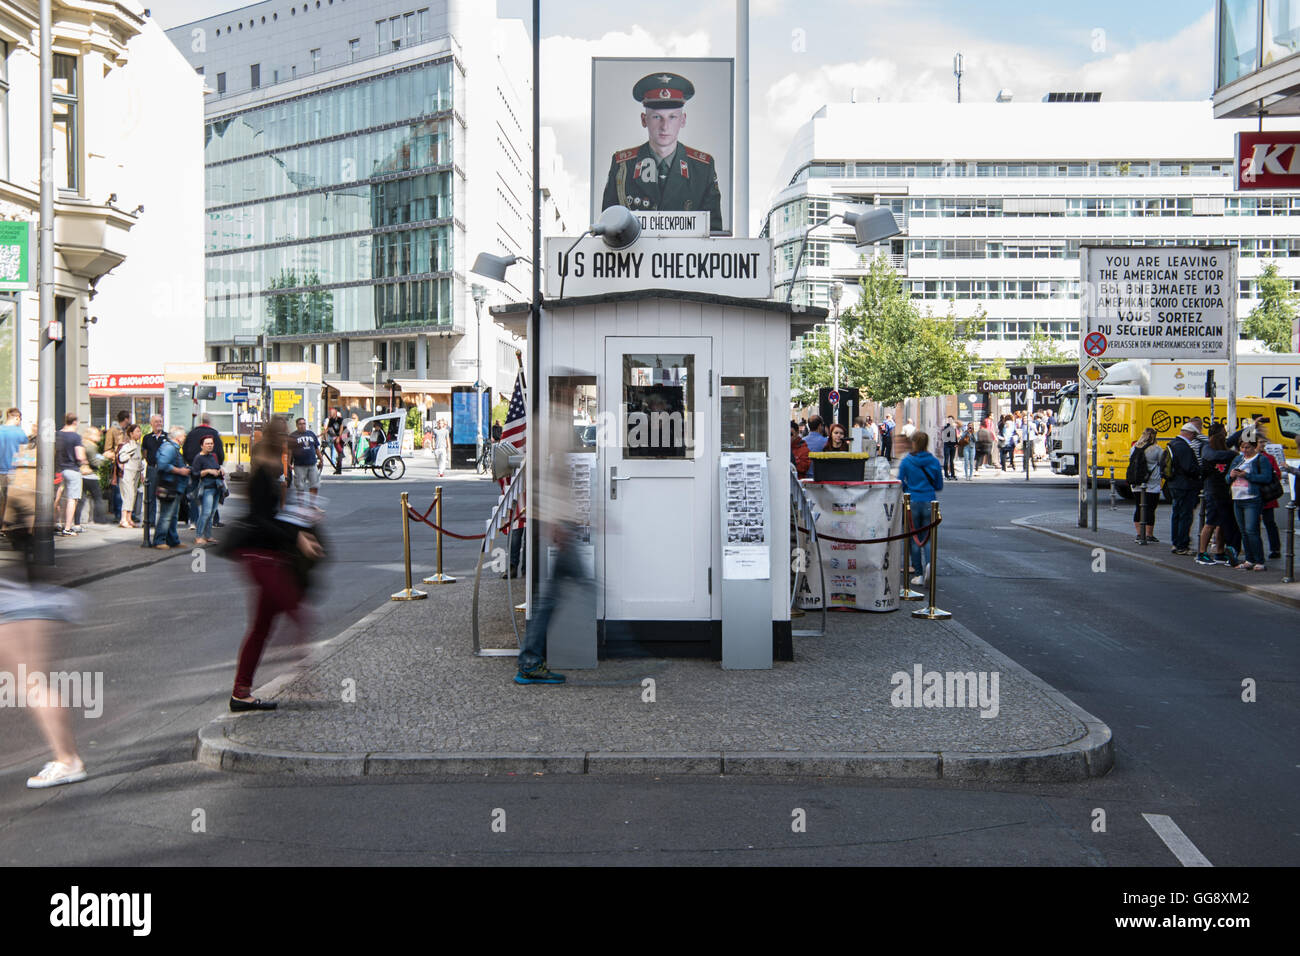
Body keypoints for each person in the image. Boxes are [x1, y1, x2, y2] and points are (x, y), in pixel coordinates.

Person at [220, 432, 324, 711]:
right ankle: (301, 681)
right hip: (260, 556)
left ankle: (241, 693)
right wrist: (297, 537)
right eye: (285, 451)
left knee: (262, 627)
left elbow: (274, 517)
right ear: (277, 449)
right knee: (296, 614)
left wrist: (303, 522)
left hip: (267, 556)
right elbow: (261, 520)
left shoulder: (272, 476)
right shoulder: (263, 477)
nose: (287, 458)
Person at [600, 72, 723, 232]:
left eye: (672, 117)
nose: (665, 126)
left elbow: (714, 235)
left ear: (683, 120)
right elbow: (608, 228)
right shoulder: (623, 166)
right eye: (657, 117)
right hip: (634, 256)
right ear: (644, 120)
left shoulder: (702, 168)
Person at [898, 431, 943, 587]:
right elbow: (939, 485)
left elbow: (899, 481)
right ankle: (929, 565)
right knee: (928, 537)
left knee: (914, 538)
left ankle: (918, 573)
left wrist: (908, 488)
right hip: (930, 501)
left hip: (912, 501)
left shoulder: (907, 461)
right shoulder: (934, 461)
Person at [1227, 426, 1274, 571]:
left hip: (1252, 498)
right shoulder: (1238, 459)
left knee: (1251, 529)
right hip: (1237, 498)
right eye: (1242, 447)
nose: (1244, 450)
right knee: (1243, 530)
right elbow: (1227, 478)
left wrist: (1246, 475)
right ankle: (1249, 559)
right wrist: (1231, 476)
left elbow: (1266, 478)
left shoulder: (1261, 460)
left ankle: (1259, 560)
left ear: (1254, 447)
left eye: (1247, 447)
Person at [1197, 424, 1238, 566]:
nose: (1225, 437)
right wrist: (1234, 454)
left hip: (1221, 492)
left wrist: (1251, 427)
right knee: (1211, 523)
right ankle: (1202, 553)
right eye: (1223, 434)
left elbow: (1233, 439)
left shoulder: (1218, 448)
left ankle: (1219, 553)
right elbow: (1215, 456)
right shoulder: (1208, 449)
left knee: (1220, 523)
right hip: (1213, 491)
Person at [1165, 421, 1203, 556]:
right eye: (1193, 435)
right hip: (1185, 485)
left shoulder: (1173, 443)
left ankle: (1175, 542)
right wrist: (1200, 470)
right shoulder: (1184, 447)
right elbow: (1189, 468)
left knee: (1176, 514)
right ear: (1189, 433)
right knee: (1185, 515)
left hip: (1174, 484)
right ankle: (1182, 545)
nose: (1194, 438)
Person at [153, 427, 190, 549]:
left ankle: (173, 540)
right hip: (169, 486)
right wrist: (180, 470)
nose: (185, 438)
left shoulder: (174, 448)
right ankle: (159, 540)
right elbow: (162, 465)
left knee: (173, 515)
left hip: (175, 486)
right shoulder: (169, 448)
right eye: (184, 436)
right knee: (166, 515)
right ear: (178, 437)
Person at [1129, 428, 1163, 543]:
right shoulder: (1157, 449)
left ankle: (1139, 534)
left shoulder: (1134, 448)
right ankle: (1149, 534)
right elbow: (1162, 463)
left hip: (1136, 483)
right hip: (1152, 484)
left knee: (1139, 508)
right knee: (1150, 509)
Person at [55, 414, 87, 536]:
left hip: (59, 470)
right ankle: (67, 528)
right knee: (72, 499)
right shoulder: (75, 437)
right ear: (75, 422)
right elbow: (79, 456)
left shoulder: (57, 434)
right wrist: (84, 461)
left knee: (58, 497)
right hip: (72, 470)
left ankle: (56, 522)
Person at [191, 435, 225, 546]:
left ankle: (208, 536)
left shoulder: (213, 456)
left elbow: (217, 467)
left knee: (212, 513)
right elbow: (195, 474)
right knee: (205, 513)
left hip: (217, 487)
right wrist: (208, 471)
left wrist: (220, 470)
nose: (210, 445)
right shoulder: (198, 458)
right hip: (207, 488)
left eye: (211, 443)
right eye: (207, 443)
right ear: (202, 445)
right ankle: (199, 536)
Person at [141, 415, 167, 534]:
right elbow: (145, 453)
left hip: (164, 470)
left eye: (160, 421)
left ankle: (163, 521)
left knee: (164, 496)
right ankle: (150, 521)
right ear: (151, 424)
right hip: (151, 469)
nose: (159, 423)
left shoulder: (167, 437)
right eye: (156, 422)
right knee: (150, 496)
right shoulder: (147, 438)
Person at [0, 407, 26, 525]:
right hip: (14, 471)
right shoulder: (19, 432)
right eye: (19, 419)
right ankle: (8, 525)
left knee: (2, 500)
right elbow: (26, 452)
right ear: (16, 417)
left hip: (1, 470)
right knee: (12, 500)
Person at [117, 424, 144, 529]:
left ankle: (129, 518)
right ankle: (123, 519)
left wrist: (141, 472)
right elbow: (122, 458)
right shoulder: (127, 445)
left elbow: (140, 461)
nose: (139, 433)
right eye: (137, 431)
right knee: (128, 495)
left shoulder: (138, 446)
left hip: (136, 473)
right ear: (131, 433)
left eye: (140, 431)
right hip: (127, 472)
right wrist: (129, 453)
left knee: (133, 495)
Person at [290, 417, 323, 497]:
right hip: (299, 465)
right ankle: (301, 506)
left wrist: (321, 459)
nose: (302, 426)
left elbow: (316, 448)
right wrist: (288, 463)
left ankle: (312, 505)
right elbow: (289, 451)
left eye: (304, 423)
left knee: (314, 485)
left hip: (312, 463)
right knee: (300, 487)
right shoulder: (293, 436)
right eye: (300, 424)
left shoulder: (311, 434)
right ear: (297, 425)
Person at [325, 408, 345, 475]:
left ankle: (341, 453)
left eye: (332, 413)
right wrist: (320, 435)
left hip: (345, 435)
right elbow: (327, 429)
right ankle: (338, 470)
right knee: (339, 455)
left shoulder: (340, 419)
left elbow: (342, 428)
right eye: (330, 413)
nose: (330, 414)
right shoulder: (331, 420)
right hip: (338, 436)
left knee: (336, 442)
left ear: (335, 413)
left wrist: (339, 437)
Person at [940, 416, 958, 480]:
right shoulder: (945, 427)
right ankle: (946, 475)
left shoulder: (954, 428)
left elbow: (955, 437)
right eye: (949, 420)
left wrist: (956, 444)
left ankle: (953, 474)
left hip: (953, 446)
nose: (950, 421)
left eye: (951, 420)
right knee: (946, 460)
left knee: (952, 461)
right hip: (947, 445)